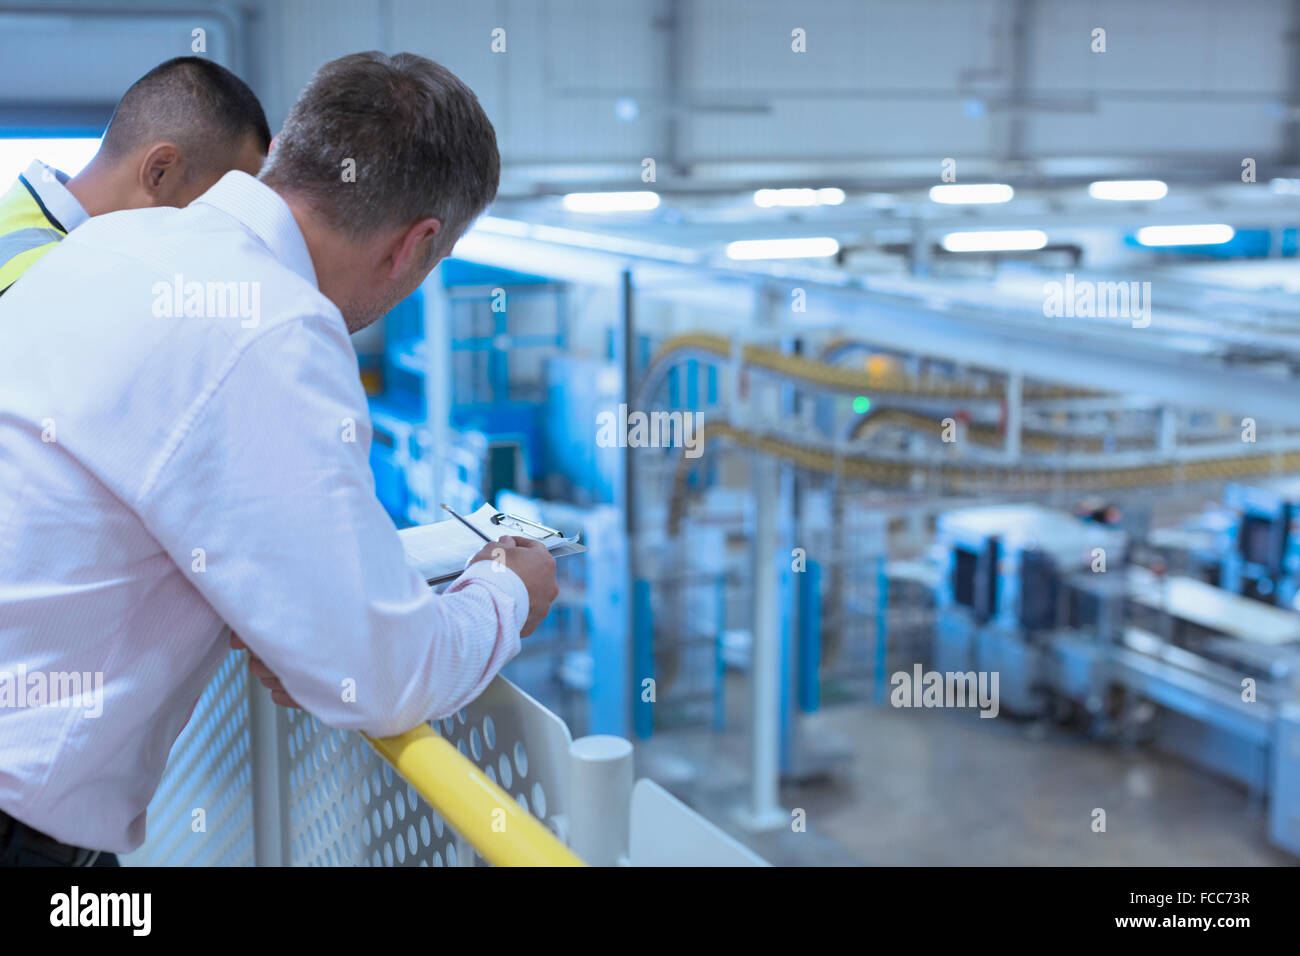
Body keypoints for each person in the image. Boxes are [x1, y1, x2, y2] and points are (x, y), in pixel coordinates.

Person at [0, 51, 558, 867]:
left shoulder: (110, 247)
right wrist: (510, 590)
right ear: (416, 246)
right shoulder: (273, 327)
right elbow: (383, 673)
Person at [0, 56, 270, 296]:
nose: (223, 232)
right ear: (158, 171)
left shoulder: (34, 240)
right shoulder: (37, 282)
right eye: (218, 204)